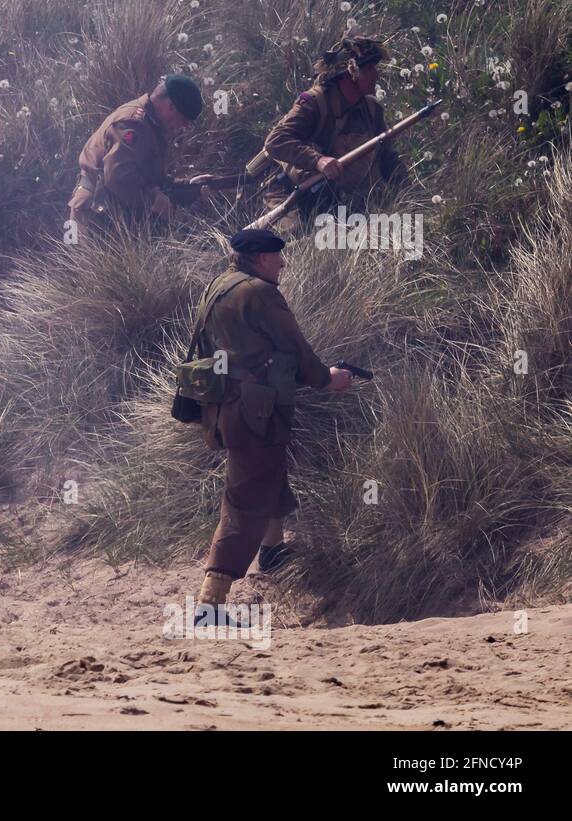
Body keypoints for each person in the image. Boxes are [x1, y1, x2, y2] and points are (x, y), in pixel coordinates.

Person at [191, 228, 352, 626]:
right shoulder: (261, 293)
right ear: (262, 258)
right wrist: (328, 378)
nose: (282, 263)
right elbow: (296, 350)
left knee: (266, 473)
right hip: (256, 411)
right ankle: (210, 604)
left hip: (226, 407)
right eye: (277, 257)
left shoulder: (218, 285)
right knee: (245, 499)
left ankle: (274, 551)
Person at [256, 36, 406, 233]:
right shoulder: (314, 103)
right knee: (292, 239)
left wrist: (409, 195)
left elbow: (388, 158)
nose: (375, 74)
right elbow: (275, 141)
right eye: (369, 69)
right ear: (350, 73)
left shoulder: (371, 110)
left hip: (338, 195)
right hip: (290, 190)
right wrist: (318, 160)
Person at [66, 73, 205, 232]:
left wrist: (189, 185)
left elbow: (149, 178)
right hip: (96, 216)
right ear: (170, 106)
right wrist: (155, 201)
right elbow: (118, 176)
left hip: (111, 214)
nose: (185, 126)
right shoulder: (134, 123)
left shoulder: (151, 124)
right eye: (184, 118)